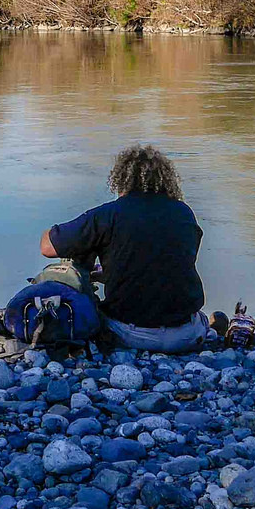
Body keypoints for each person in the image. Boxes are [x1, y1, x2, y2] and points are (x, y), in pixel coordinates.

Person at [41, 144, 207, 353]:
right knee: (202, 316)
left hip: (130, 335)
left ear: (120, 179)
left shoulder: (109, 214)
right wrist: (109, 273)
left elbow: (47, 247)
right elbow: (171, 264)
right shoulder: (184, 213)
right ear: (166, 180)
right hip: (187, 335)